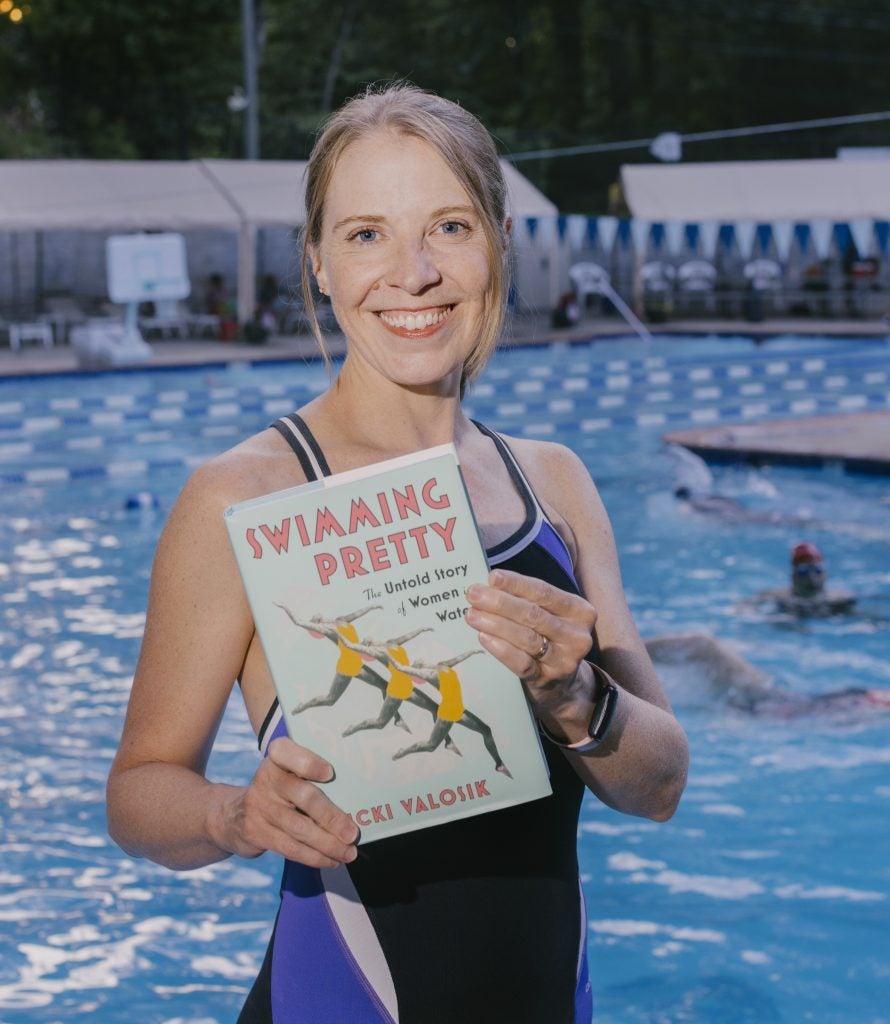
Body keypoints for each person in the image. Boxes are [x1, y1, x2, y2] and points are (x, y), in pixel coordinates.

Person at [106, 83, 688, 1024]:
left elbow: (658, 785)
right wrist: (232, 815)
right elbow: (138, 793)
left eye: (449, 227)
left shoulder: (554, 483)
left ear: (497, 242)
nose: (411, 274)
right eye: (367, 233)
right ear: (320, 262)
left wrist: (576, 697)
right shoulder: (244, 495)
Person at [645, 631, 890, 718]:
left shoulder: (876, 705)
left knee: (703, 644)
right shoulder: (873, 702)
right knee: (703, 645)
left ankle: (619, 652)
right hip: (774, 703)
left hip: (765, 704)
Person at [742, 541, 857, 618]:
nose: (811, 577)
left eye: (817, 570)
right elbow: (742, 608)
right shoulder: (777, 598)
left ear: (825, 574)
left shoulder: (841, 600)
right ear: (793, 576)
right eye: (803, 570)